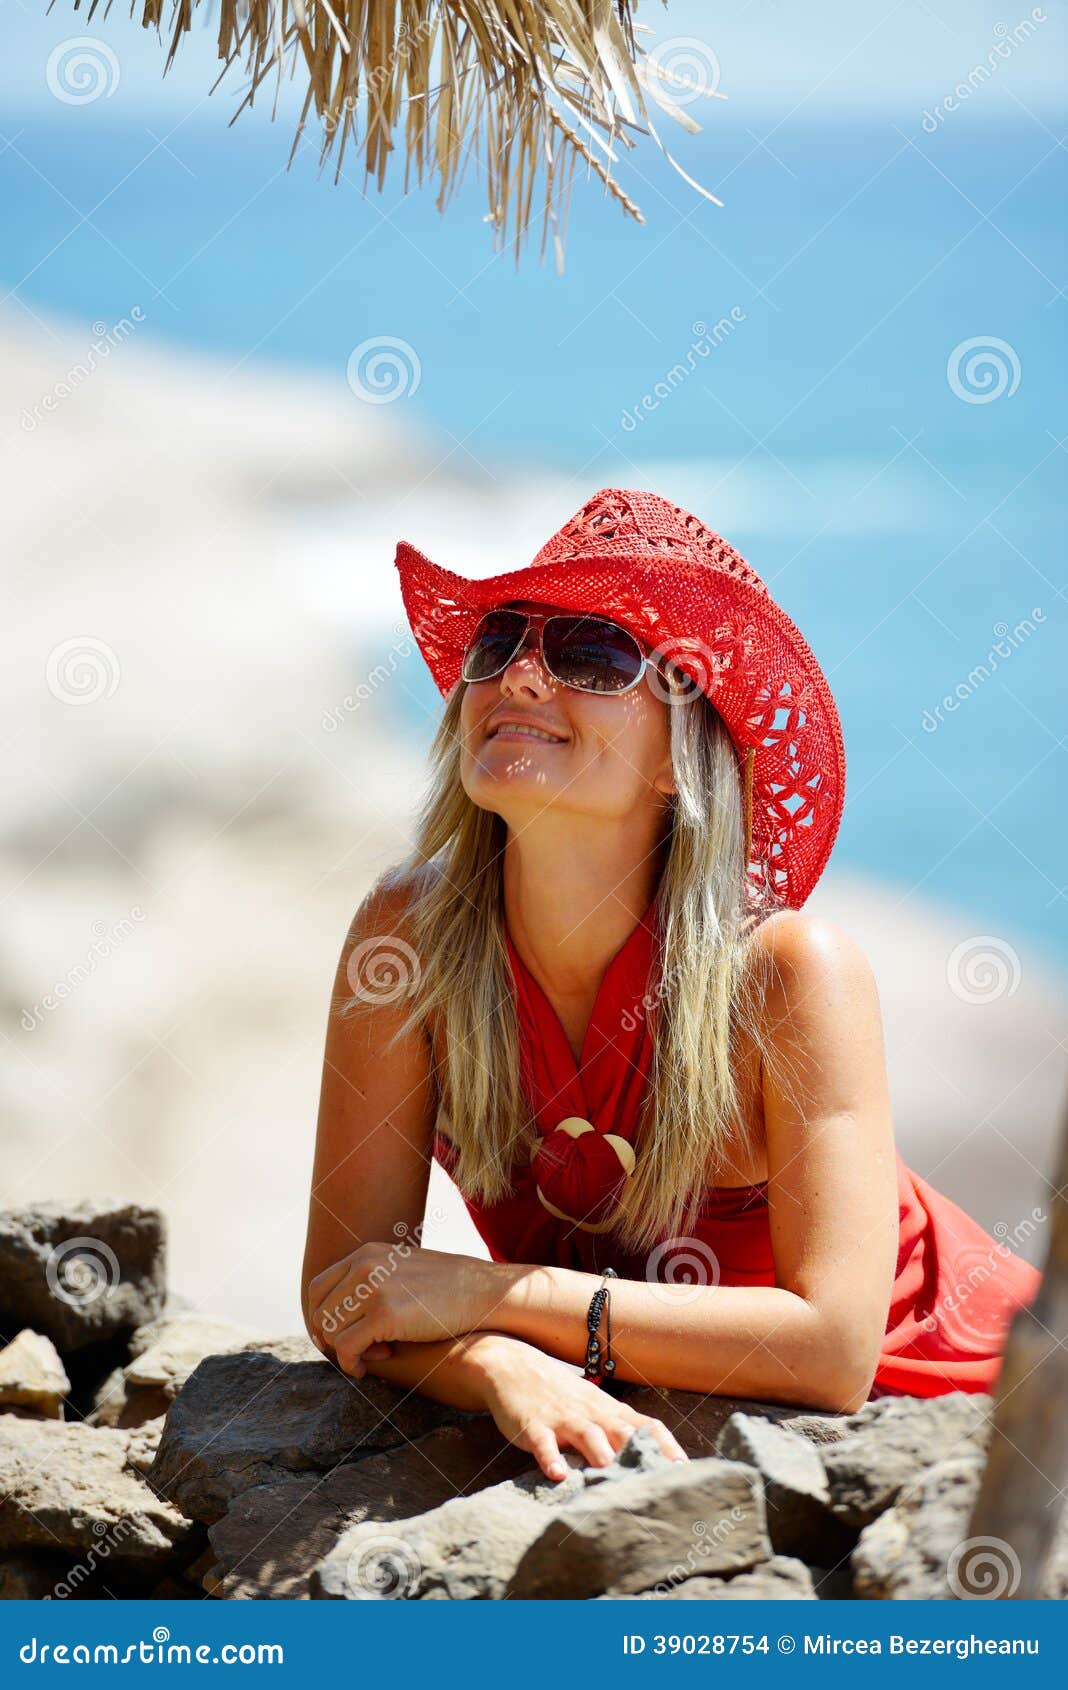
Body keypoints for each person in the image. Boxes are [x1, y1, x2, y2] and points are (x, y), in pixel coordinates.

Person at [301, 487, 1040, 1484]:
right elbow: (347, 1291)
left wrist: (495, 1297)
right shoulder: (406, 940)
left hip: (978, 1409)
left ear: (679, 753)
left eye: (592, 653)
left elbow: (831, 1349)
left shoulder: (789, 972)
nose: (519, 673)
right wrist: (498, 1367)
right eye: (498, 642)